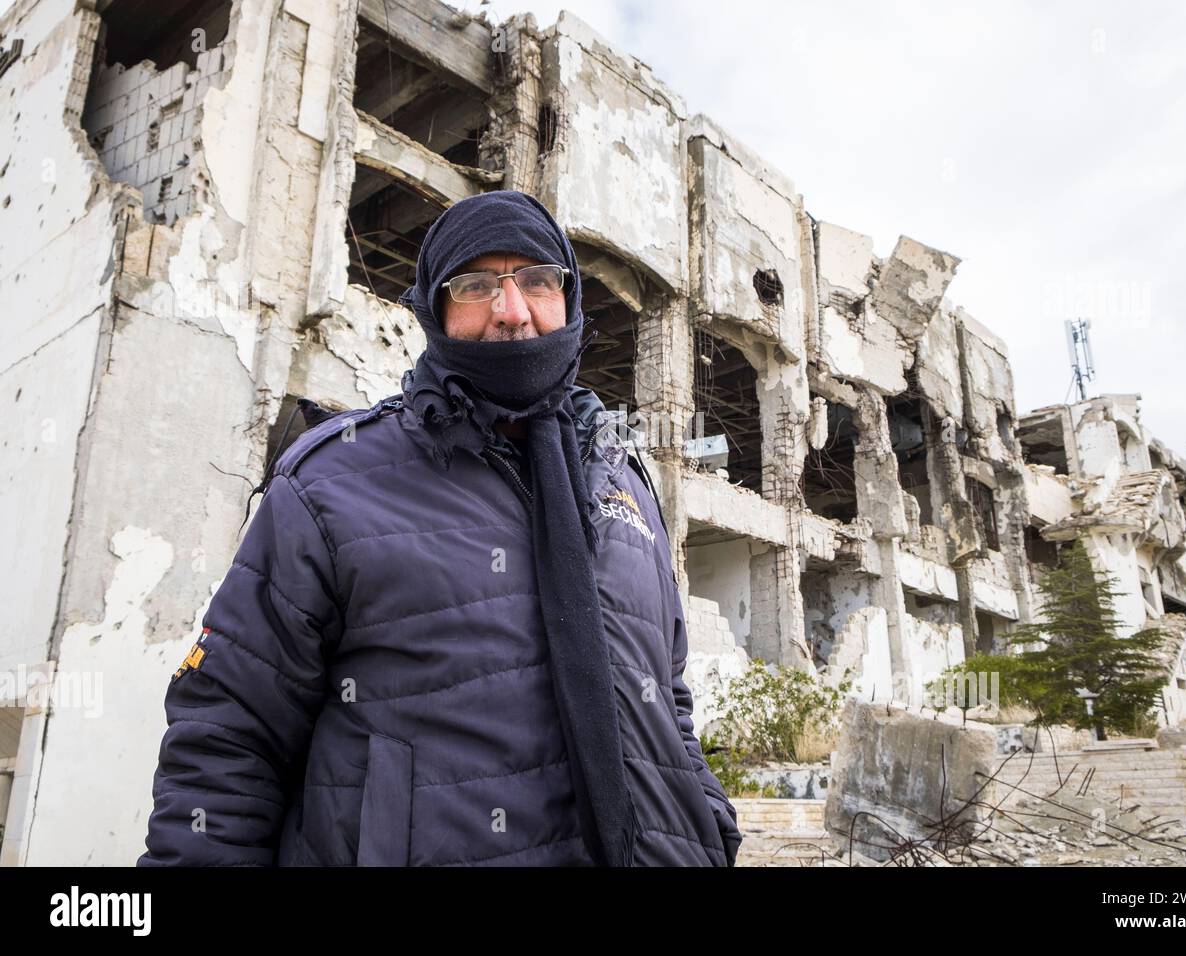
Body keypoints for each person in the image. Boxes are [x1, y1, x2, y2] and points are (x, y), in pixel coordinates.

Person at [138, 189, 743, 867]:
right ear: (435, 308)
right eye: (478, 285)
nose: (513, 312)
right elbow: (229, 734)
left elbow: (668, 695)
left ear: (569, 298)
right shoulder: (331, 484)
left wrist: (708, 821)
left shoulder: (623, 482)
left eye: (538, 281)